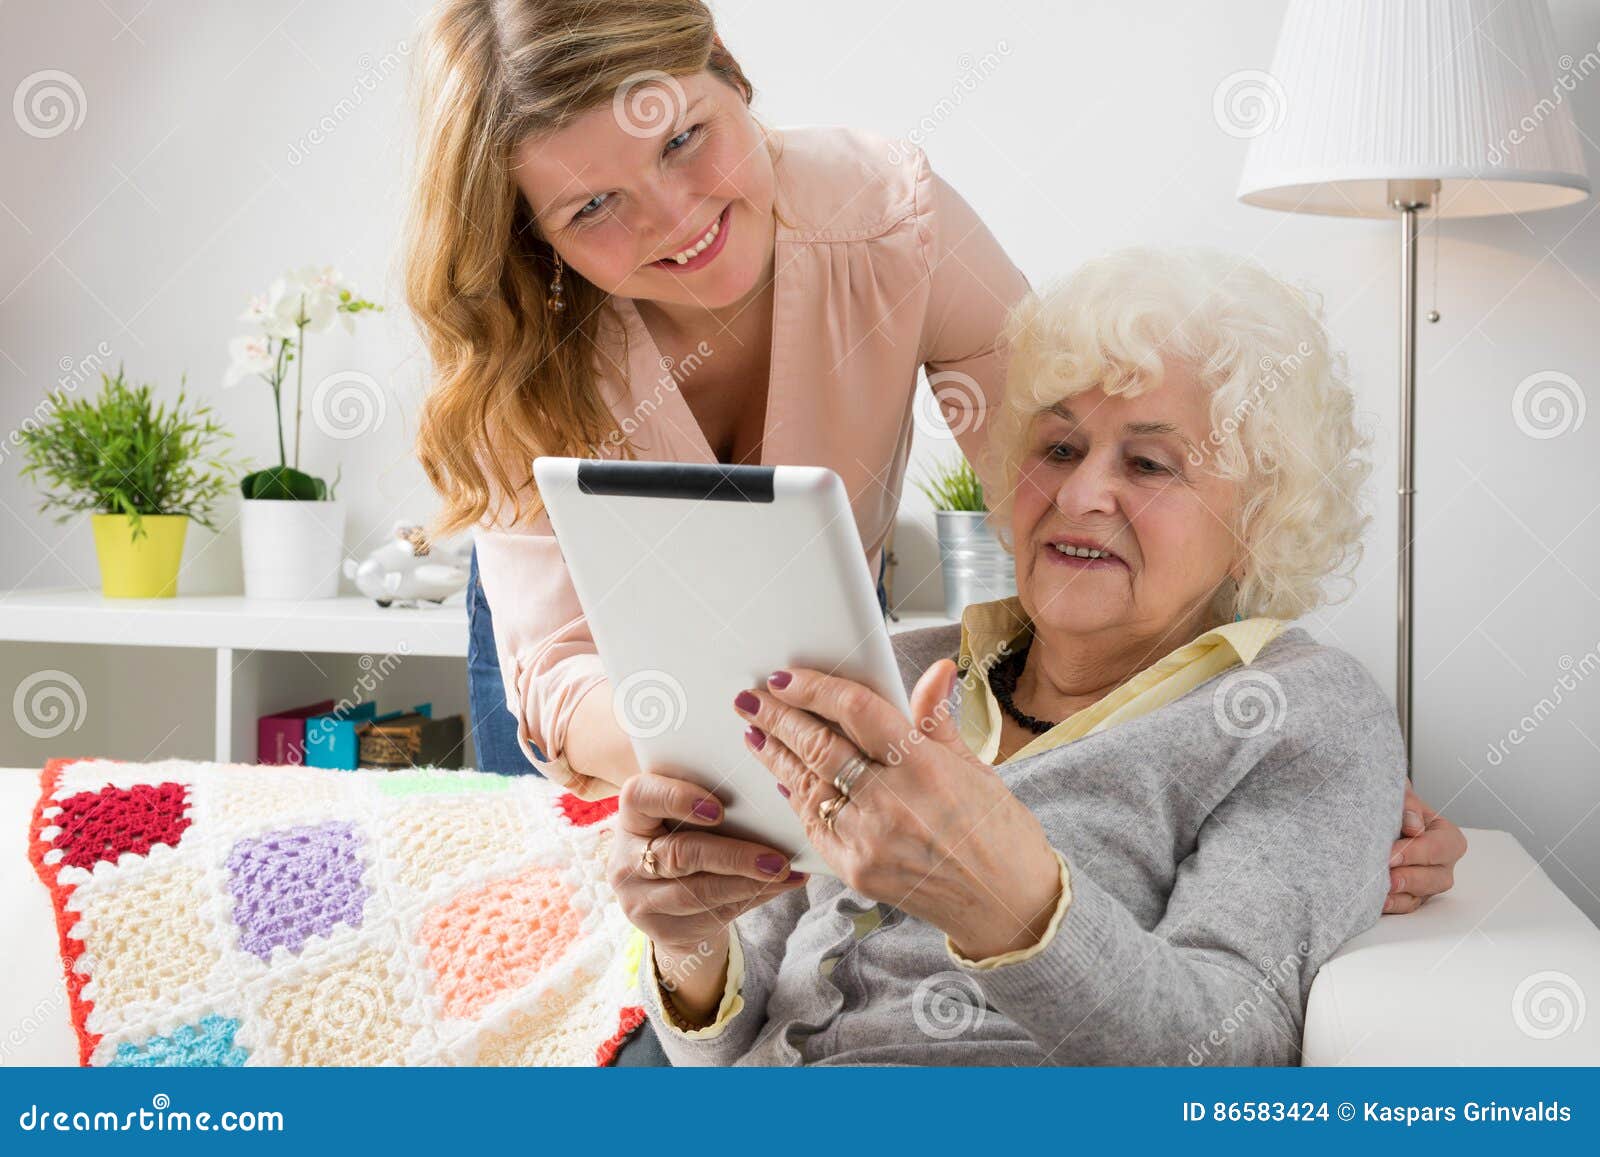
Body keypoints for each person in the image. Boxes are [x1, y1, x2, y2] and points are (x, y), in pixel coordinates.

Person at [404, 1, 1464, 920]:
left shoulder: (885, 218)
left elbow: (1065, 493)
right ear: (534, 236)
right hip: (596, 678)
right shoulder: (514, 340)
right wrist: (754, 758)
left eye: (683, 138)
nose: (677, 218)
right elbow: (556, 676)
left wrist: (1304, 776)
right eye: (592, 206)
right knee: (596, 926)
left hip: (808, 636)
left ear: (726, 67)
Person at [611, 249, 1450, 1065]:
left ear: (1259, 522)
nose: (1082, 495)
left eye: (1150, 463)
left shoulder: (1297, 712)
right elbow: (720, 1042)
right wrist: (688, 944)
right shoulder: (888, 671)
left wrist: (1011, 901)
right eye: (1058, 449)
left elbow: (1227, 1048)